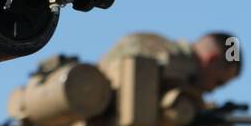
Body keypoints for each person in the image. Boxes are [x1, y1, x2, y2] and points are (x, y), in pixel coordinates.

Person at [99, 31, 242, 93]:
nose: (212, 90)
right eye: (218, 82)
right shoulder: (174, 65)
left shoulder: (153, 44)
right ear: (211, 60)